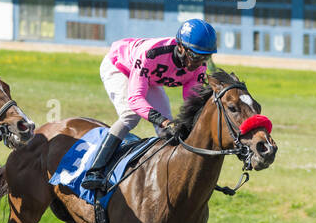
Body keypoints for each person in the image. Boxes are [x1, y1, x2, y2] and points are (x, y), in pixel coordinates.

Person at [80, 18, 216, 193]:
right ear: (180, 47)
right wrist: (164, 122)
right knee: (131, 115)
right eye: (195, 56)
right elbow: (136, 99)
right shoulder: (151, 54)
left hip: (150, 78)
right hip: (119, 67)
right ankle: (95, 170)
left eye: (205, 57)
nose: (199, 63)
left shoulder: (198, 66)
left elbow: (192, 102)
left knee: (168, 130)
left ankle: (170, 172)